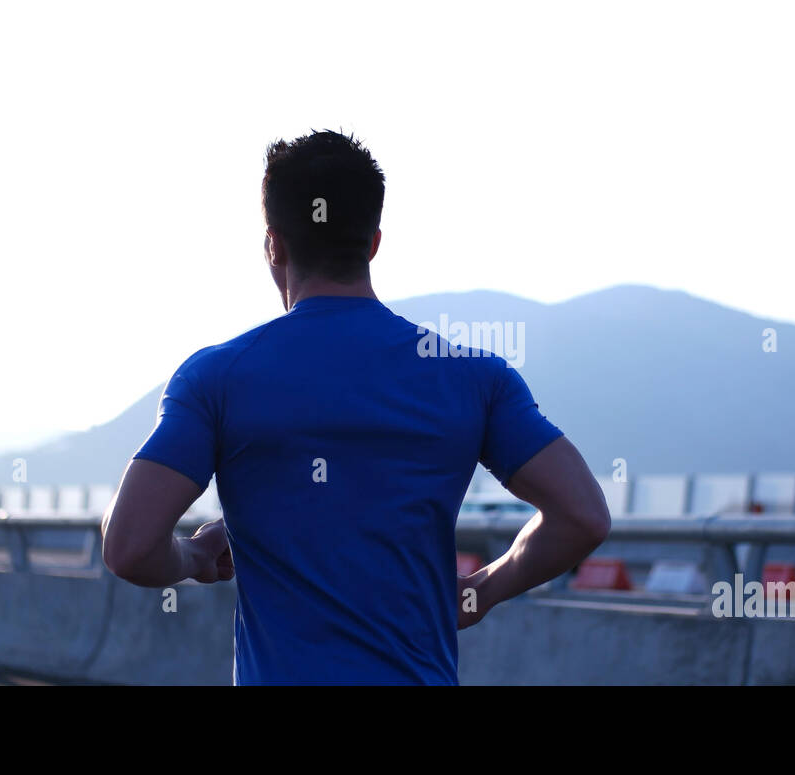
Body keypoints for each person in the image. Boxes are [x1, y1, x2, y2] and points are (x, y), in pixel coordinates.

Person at [100, 130, 611, 685]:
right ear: (373, 241)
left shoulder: (216, 377)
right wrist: (483, 591)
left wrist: (196, 559)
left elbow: (128, 546)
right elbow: (582, 516)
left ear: (274, 244)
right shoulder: (475, 378)